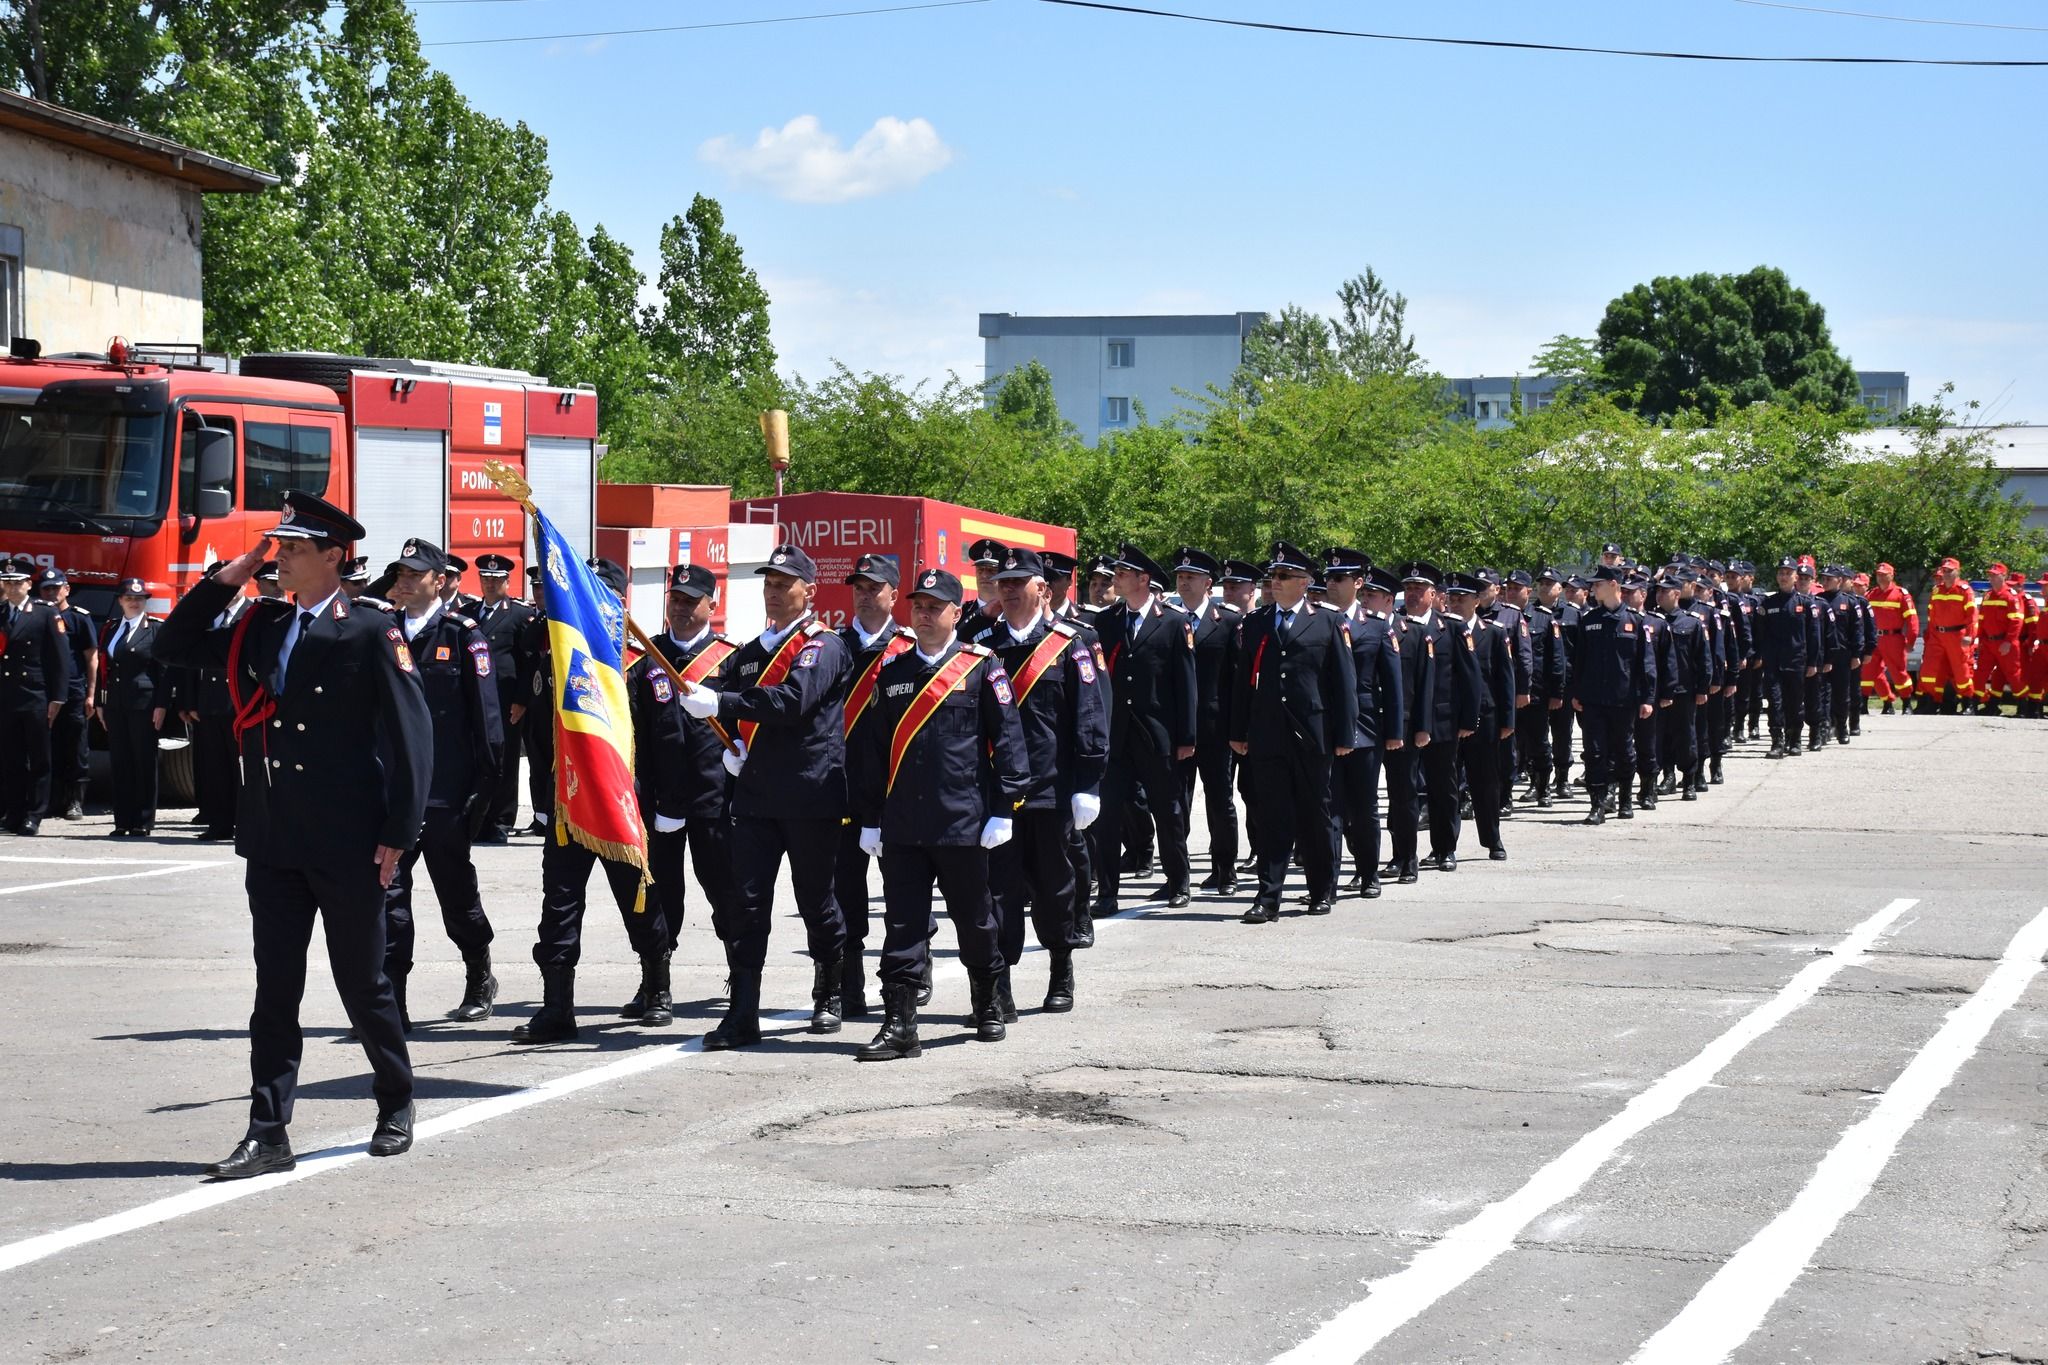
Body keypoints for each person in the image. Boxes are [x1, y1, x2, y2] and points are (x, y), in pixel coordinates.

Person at [155, 490, 432, 1178]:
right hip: (274, 836)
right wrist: (233, 571)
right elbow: (174, 642)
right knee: (274, 989)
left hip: (348, 840)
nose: (281, 559)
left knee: (362, 983)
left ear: (336, 557)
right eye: (276, 547)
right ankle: (267, 1129)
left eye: (295, 549)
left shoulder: (369, 628)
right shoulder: (262, 622)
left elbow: (413, 734)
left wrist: (400, 830)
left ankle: (395, 1098)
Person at [850, 568, 1029, 1059]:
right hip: (905, 825)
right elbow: (873, 753)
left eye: (935, 607)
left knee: (974, 920)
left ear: (956, 613)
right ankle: (900, 1024)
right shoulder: (892, 675)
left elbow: (1009, 742)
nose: (925, 614)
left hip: (963, 822)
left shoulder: (981, 667)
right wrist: (869, 817)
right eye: (919, 606)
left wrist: (1004, 809)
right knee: (903, 927)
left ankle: (988, 1001)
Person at [679, 543, 851, 1049]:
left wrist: (723, 700)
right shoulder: (751, 653)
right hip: (755, 797)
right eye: (769, 584)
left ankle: (829, 990)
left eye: (784, 584)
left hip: (808, 794)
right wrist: (728, 738)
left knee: (815, 901)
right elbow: (728, 713)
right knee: (746, 906)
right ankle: (742, 1011)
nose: (774, 593)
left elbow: (792, 701)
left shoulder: (822, 646)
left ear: (809, 591)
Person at [512, 558, 674, 1045]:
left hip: (623, 807)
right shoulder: (560, 660)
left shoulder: (639, 666)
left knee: (638, 901)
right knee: (558, 907)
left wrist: (659, 803)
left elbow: (662, 741)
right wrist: (543, 798)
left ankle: (656, 988)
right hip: (568, 806)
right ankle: (557, 1007)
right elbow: (541, 737)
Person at [977, 548, 1107, 1014]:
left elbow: (1090, 716)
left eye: (1019, 583)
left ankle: (1060, 967)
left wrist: (1087, 783)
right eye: (1003, 583)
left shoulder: (1069, 643)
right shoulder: (981, 645)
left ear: (1043, 590)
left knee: (1055, 886)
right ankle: (1001, 985)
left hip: (1050, 788)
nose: (1009, 589)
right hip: (996, 793)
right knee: (998, 892)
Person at [380, 538, 504, 1028]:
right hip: (391, 791)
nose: (405, 581)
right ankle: (393, 999)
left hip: (445, 792)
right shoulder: (382, 631)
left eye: (415, 574)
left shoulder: (463, 633)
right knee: (389, 899)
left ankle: (479, 975)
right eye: (400, 574)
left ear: (440, 579)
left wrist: (483, 791)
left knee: (456, 894)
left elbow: (488, 722)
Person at [623, 563, 736, 1026]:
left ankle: (741, 975)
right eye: (676, 598)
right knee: (658, 897)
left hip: (715, 799)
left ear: (713, 604)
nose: (682, 607)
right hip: (660, 801)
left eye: (692, 599)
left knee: (726, 893)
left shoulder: (731, 659)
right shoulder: (647, 659)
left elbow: (743, 722)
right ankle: (656, 984)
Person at [1228, 542, 1357, 922]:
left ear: (1304, 583)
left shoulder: (1328, 622)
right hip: (1268, 733)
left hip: (1312, 734)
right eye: (1273, 576)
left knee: (1315, 815)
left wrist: (1344, 735)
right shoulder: (1255, 623)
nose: (1276, 582)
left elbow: (1342, 684)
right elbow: (1242, 682)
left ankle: (1320, 889)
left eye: (1284, 576)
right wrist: (1239, 729)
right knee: (1272, 816)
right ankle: (1268, 897)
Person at [1090, 544, 1197, 911]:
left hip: (1157, 735)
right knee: (1108, 817)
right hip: (1116, 736)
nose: (1115, 579)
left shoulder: (1172, 622)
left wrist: (1186, 737)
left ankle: (1178, 882)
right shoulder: (1105, 621)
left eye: (1122, 574)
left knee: (1168, 811)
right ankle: (1107, 892)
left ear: (1143, 580)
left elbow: (1185, 684)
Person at [833, 552, 914, 1017]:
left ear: (892, 594)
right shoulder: (834, 647)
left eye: (873, 588)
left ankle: (908, 976)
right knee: (843, 894)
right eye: (858, 588)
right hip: (843, 787)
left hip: (895, 790)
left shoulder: (907, 648)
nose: (864, 596)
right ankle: (850, 985)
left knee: (904, 894)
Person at [1321, 548, 1404, 895]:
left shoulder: (1377, 626)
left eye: (1339, 579)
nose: (1332, 585)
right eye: (1328, 578)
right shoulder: (1318, 621)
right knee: (1329, 808)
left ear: (1358, 582)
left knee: (1364, 807)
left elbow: (1393, 680)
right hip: (1325, 727)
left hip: (1365, 729)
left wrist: (1395, 731)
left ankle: (1368, 872)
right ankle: (1326, 881)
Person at [1172, 547, 1240, 894]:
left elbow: (1237, 679)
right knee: (1175, 803)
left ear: (1207, 583)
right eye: (1180, 577)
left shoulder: (1227, 621)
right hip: (1177, 728)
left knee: (1219, 801)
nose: (1183, 582)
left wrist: (1236, 727)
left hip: (1214, 728)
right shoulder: (1167, 619)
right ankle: (1178, 875)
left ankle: (1224, 869)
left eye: (1191, 578)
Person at [1570, 564, 1656, 826]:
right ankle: (1597, 803)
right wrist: (1575, 693)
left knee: (1624, 752)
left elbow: (1646, 663)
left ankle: (1626, 799)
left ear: (1614, 585)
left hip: (1624, 699)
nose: (1593, 588)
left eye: (1598, 584)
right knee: (1594, 752)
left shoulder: (1635, 621)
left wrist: (1647, 698)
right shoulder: (1588, 621)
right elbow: (1579, 661)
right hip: (1593, 699)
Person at [1442, 573, 1512, 859]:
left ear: (1476, 600)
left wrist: (1508, 720)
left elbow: (1505, 679)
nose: (1456, 603)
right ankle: (1445, 847)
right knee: (1446, 786)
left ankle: (1493, 840)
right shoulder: (1440, 631)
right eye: (1452, 598)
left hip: (1485, 719)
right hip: (1448, 720)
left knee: (1486, 783)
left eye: (1463, 598)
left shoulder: (1493, 633)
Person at [0, 555, 70, 835]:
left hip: (36, 695)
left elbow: (60, 659)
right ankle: (13, 812)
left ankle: (35, 814)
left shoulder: (45, 613)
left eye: (16, 583)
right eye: (6, 582)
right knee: (11, 758)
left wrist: (58, 697)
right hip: (6, 696)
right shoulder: (1, 613)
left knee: (39, 758)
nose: (11, 587)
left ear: (29, 584)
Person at [176, 561, 245, 841]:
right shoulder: (208, 616)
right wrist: (188, 700)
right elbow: (189, 662)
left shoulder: (254, 613)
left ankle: (245, 823)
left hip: (240, 705)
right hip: (210, 703)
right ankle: (219, 823)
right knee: (214, 767)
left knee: (240, 767)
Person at [96, 578, 168, 837]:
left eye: (139, 598)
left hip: (144, 705)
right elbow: (103, 667)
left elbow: (164, 672)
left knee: (143, 762)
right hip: (115, 704)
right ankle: (122, 820)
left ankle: (143, 820)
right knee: (120, 761)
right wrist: (100, 701)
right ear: (120, 601)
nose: (134, 602)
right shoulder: (110, 629)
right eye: (129, 598)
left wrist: (162, 705)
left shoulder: (155, 629)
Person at [473, 552, 537, 843]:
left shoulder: (519, 615)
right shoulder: (470, 613)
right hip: (476, 699)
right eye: (485, 578)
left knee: (505, 761)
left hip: (505, 700)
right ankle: (477, 817)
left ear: (507, 582)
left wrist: (522, 699)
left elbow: (528, 661)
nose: (489, 584)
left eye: (496, 579)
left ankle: (500, 820)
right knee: (477, 760)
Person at [35, 568, 95, 821]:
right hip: (42, 691)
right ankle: (52, 800)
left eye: (56, 588)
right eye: (46, 588)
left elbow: (91, 657)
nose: (51, 593)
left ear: (67, 589)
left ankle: (74, 801)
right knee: (47, 748)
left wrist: (91, 694)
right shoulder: (36, 617)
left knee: (75, 747)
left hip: (73, 690)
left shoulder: (79, 618)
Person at [1755, 556, 1815, 759]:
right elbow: (1760, 634)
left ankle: (1795, 739)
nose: (1783, 576)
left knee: (1795, 703)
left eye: (1788, 573)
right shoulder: (1768, 603)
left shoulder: (1805, 604)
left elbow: (1813, 636)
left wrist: (1813, 662)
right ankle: (1777, 741)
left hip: (1796, 661)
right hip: (1773, 662)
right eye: (1781, 573)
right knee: (1775, 702)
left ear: (1795, 577)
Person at [515, 565, 555, 835]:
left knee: (554, 762)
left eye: (543, 587)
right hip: (535, 700)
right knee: (537, 762)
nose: (539, 592)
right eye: (536, 587)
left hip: (557, 702)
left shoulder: (561, 618)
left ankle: (554, 817)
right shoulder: (533, 618)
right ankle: (540, 818)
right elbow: (524, 651)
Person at [1919, 557, 1977, 714]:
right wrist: (1930, 635)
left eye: (1949, 571)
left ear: (1957, 572)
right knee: (1929, 670)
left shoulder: (1965, 590)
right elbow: (1931, 615)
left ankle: (1968, 703)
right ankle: (1932, 701)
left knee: (1961, 671)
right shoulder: (1937, 590)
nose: (1946, 574)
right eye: (1944, 571)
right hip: (1937, 635)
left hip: (1957, 635)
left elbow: (1972, 616)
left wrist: (1969, 636)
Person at [1974, 562, 2026, 715]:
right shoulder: (1988, 595)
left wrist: (2008, 642)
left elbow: (2016, 621)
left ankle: (2023, 706)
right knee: (1980, 674)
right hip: (1988, 643)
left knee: (2014, 675)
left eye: (1995, 575)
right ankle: (1973, 704)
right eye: (1990, 575)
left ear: (2003, 576)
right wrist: (1981, 639)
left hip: (2005, 643)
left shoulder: (2011, 596)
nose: (1991, 578)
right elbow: (1981, 620)